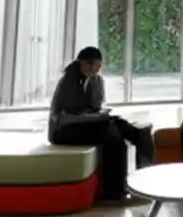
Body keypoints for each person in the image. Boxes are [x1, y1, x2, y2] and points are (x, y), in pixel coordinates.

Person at [48, 46, 154, 202]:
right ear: (80, 63)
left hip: (89, 122)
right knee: (114, 140)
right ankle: (114, 193)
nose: (92, 68)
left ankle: (144, 184)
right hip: (64, 130)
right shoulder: (68, 82)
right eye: (88, 64)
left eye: (96, 65)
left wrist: (97, 101)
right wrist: (94, 117)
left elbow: (96, 106)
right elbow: (63, 118)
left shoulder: (95, 80)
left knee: (137, 131)